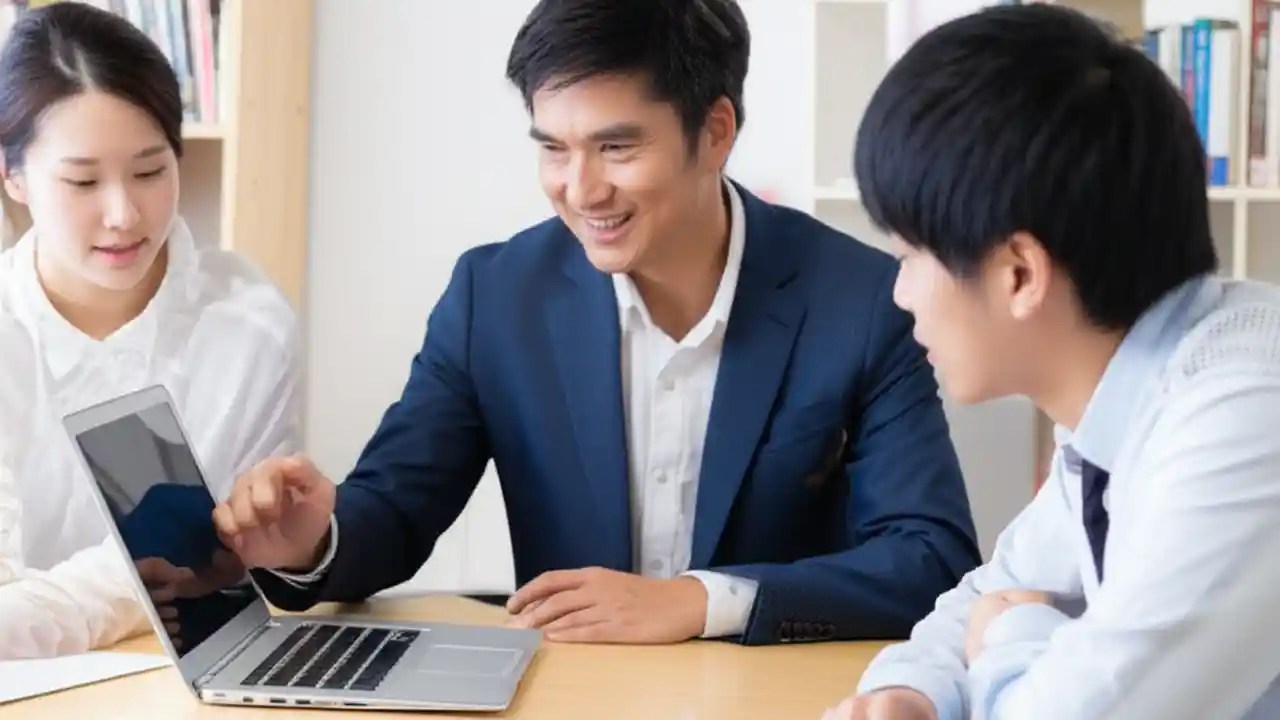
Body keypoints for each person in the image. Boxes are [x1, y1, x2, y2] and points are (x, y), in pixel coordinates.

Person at [215, 0, 979, 647]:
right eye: (553, 149)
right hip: (574, 695)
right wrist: (314, 541)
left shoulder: (860, 298)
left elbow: (929, 557)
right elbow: (397, 512)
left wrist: (698, 600)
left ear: (715, 132)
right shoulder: (495, 295)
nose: (580, 190)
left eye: (616, 147)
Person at [821, 5, 1280, 720]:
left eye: (910, 256)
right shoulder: (1124, 395)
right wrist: (912, 693)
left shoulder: (1247, 412)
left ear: (1019, 274)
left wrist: (1013, 634)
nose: (900, 293)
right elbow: (985, 592)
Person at [0, 3, 300, 660]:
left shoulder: (248, 325)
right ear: (13, 177)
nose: (124, 214)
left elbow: (238, 582)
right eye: (82, 180)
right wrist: (125, 585)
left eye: (149, 171)